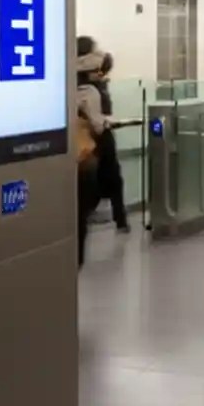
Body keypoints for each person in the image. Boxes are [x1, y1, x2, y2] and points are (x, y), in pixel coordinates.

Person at [76, 38, 129, 267]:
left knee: (106, 182)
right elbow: (98, 123)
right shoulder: (88, 90)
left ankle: (118, 219)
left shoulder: (83, 83)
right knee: (100, 184)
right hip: (90, 145)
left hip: (84, 146)